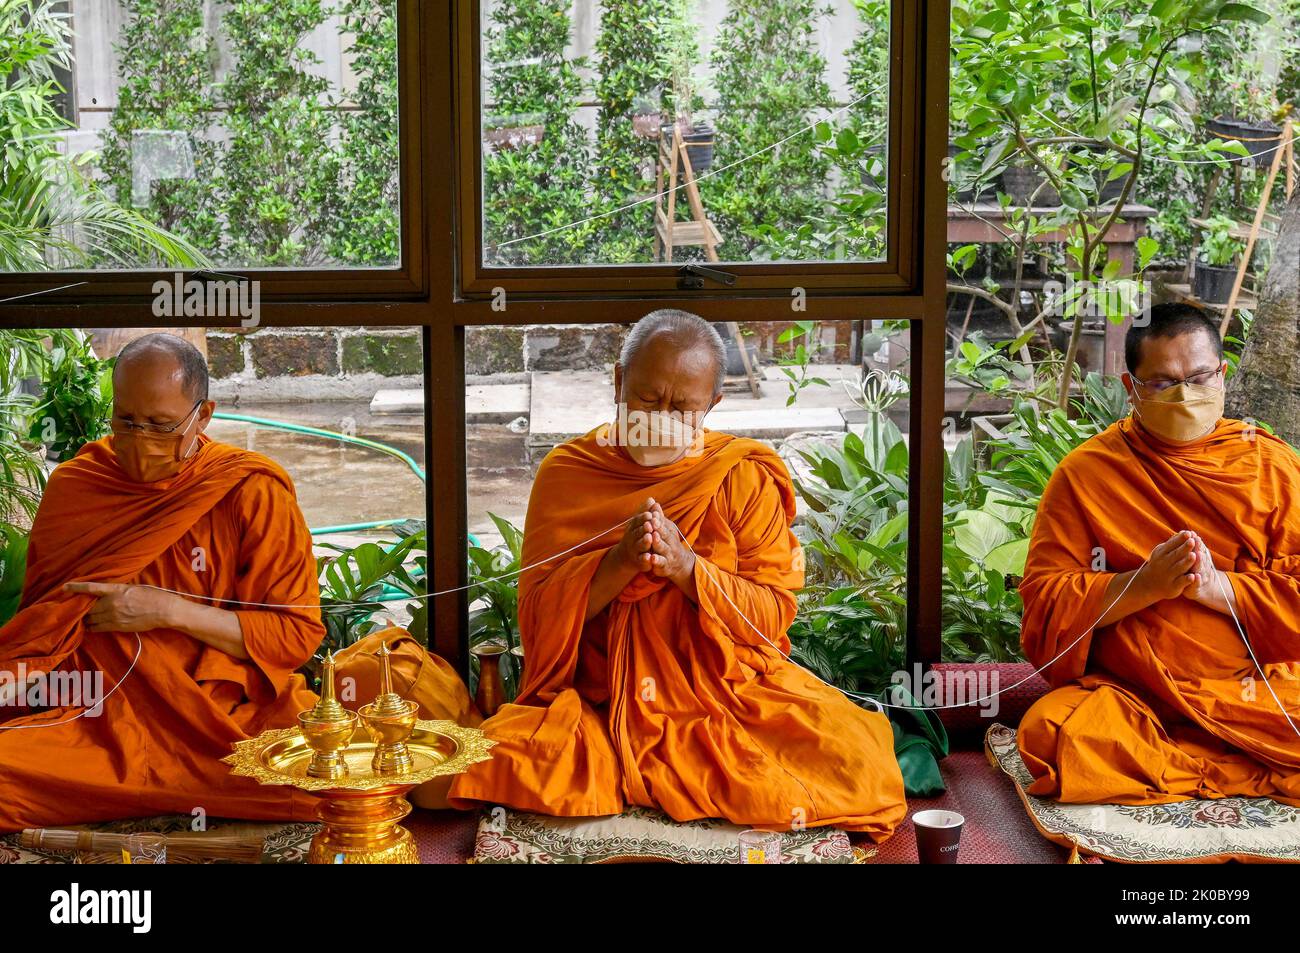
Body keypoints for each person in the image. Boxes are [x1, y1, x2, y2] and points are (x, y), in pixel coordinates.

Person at [448, 309, 907, 837]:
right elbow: (537, 619)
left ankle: (646, 777)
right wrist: (617, 565)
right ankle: (627, 768)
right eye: (647, 399)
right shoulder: (569, 472)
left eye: (682, 407)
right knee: (508, 761)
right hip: (601, 702)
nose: (662, 418)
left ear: (712, 405)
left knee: (856, 761)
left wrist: (689, 571)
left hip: (726, 695)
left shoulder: (738, 476)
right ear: (618, 382)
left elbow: (772, 615)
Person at [0, 333, 474, 832]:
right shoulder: (79, 486)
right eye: (126, 421)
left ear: (203, 415)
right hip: (101, 717)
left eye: (161, 425)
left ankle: (176, 788)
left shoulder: (249, 488)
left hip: (226, 717)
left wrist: (165, 611)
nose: (140, 440)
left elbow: (293, 635)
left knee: (353, 780)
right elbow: (44, 629)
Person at [1017, 302, 1300, 806]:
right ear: (1131, 388)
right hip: (1138, 697)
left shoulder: (1272, 466)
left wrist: (1221, 590)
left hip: (1258, 684)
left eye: (1199, 377)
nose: (1185, 395)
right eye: (1163, 383)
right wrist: (1140, 586)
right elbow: (1045, 601)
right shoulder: (1089, 473)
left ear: (1223, 376)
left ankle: (1192, 766)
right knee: (1054, 733)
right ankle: (1221, 763)